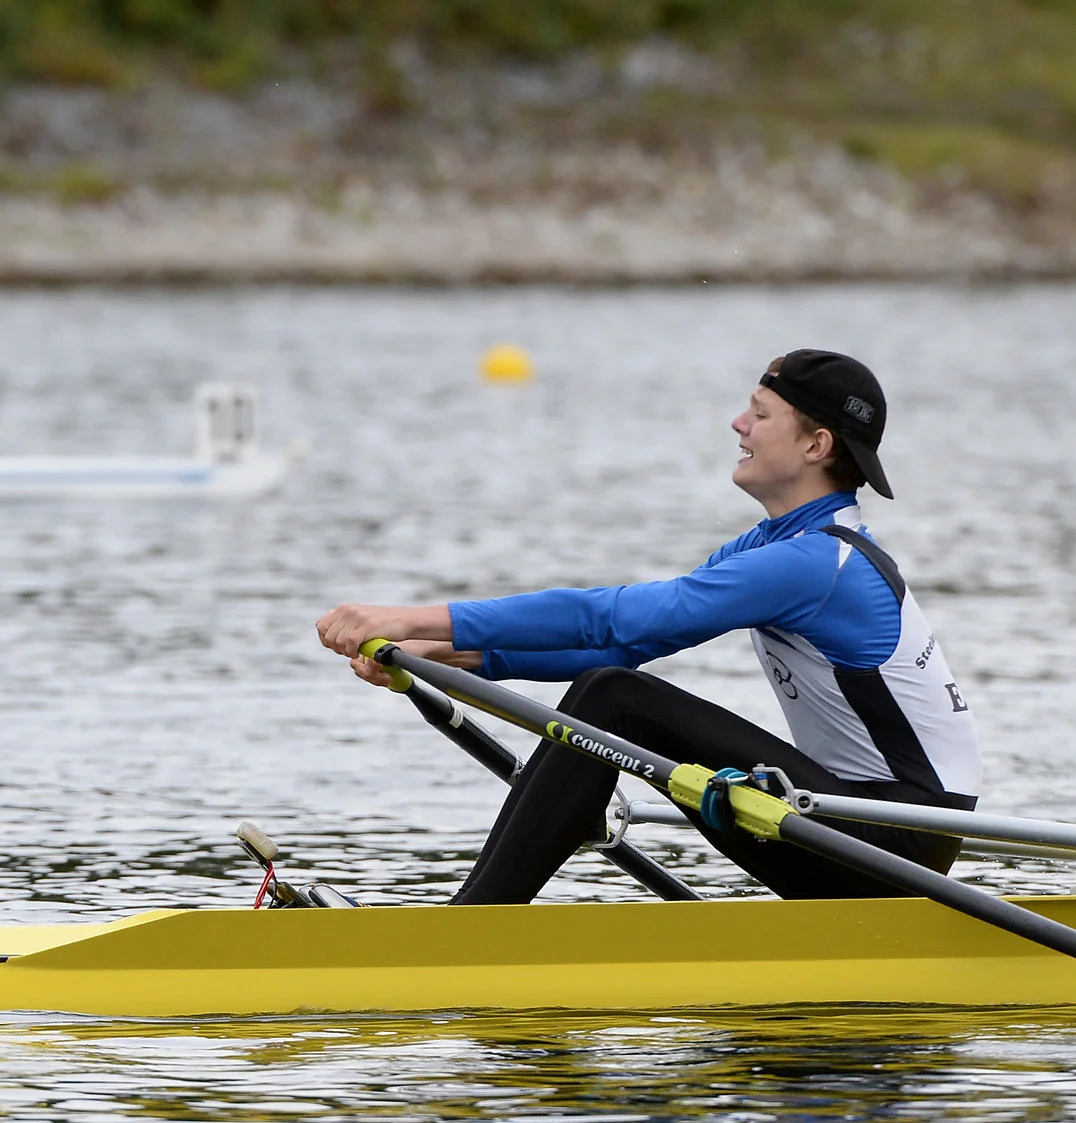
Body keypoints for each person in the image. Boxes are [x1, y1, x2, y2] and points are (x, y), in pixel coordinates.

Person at [315, 349, 982, 904]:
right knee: (611, 688)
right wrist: (440, 656)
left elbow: (612, 616)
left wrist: (403, 615)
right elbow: (626, 640)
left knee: (613, 698)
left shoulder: (817, 563)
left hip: (896, 839)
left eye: (759, 411)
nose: (737, 422)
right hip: (849, 822)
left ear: (816, 444)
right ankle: (474, 914)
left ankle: (465, 926)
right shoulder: (776, 544)